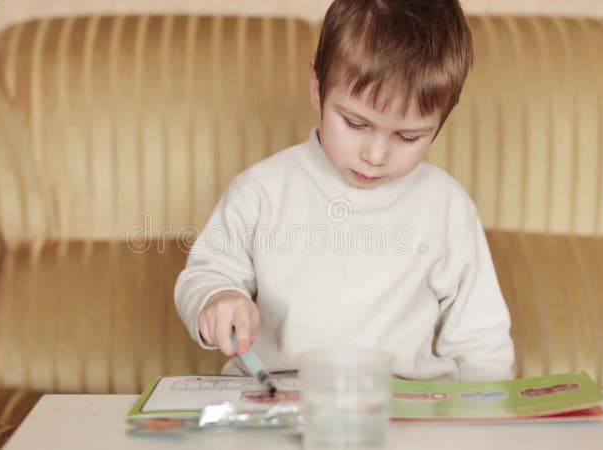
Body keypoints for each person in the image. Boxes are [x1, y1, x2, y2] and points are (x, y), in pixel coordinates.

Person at [174, 0, 514, 381]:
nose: (375, 155)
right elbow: (205, 275)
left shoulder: (446, 207)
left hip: (399, 402)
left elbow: (481, 344)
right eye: (355, 123)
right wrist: (218, 299)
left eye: (407, 136)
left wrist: (486, 406)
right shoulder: (261, 192)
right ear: (317, 87)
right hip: (276, 396)